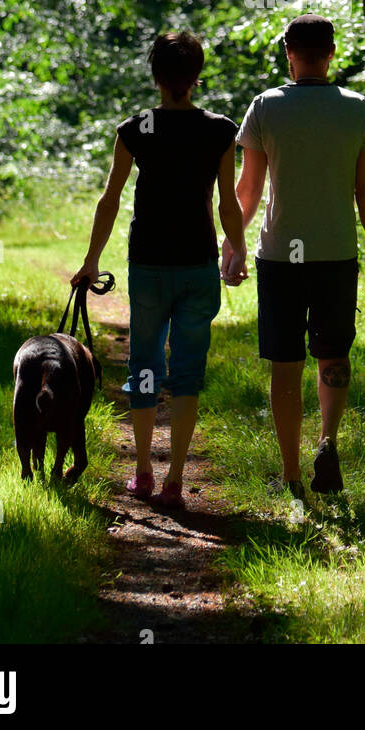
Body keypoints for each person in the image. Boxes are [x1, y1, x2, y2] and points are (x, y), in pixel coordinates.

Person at [72, 31, 245, 507]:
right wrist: (239, 248)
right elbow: (227, 202)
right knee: (187, 373)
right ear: (196, 76)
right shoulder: (219, 129)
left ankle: (143, 471)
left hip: (148, 264)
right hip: (198, 264)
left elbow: (110, 199)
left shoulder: (136, 128)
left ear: (156, 76)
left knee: (144, 364)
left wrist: (91, 262)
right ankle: (174, 480)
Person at [222, 14, 365, 499]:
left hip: (280, 257)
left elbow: (247, 190)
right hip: (336, 252)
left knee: (286, 363)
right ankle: (328, 441)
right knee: (333, 355)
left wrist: (232, 245)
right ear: (332, 52)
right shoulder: (357, 109)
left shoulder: (266, 106)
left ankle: (293, 475)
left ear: (288, 52)